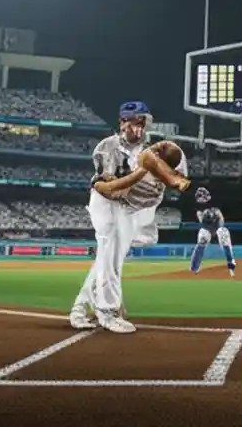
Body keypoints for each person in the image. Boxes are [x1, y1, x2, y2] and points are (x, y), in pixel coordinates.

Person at [68, 101, 190, 334]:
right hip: (107, 204)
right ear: (122, 123)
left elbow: (178, 177)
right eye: (134, 124)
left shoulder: (154, 150)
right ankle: (107, 311)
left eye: (142, 124)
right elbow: (109, 189)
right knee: (112, 250)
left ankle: (80, 308)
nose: (139, 129)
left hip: (135, 210)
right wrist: (141, 172)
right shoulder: (107, 148)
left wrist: (166, 172)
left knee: (110, 255)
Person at [190, 186, 236, 276]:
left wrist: (216, 220)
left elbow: (221, 219)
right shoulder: (198, 207)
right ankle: (194, 267)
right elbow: (201, 221)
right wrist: (207, 217)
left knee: (223, 234)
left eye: (200, 196)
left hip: (217, 225)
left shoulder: (216, 203)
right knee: (202, 239)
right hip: (207, 227)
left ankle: (231, 262)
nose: (199, 199)